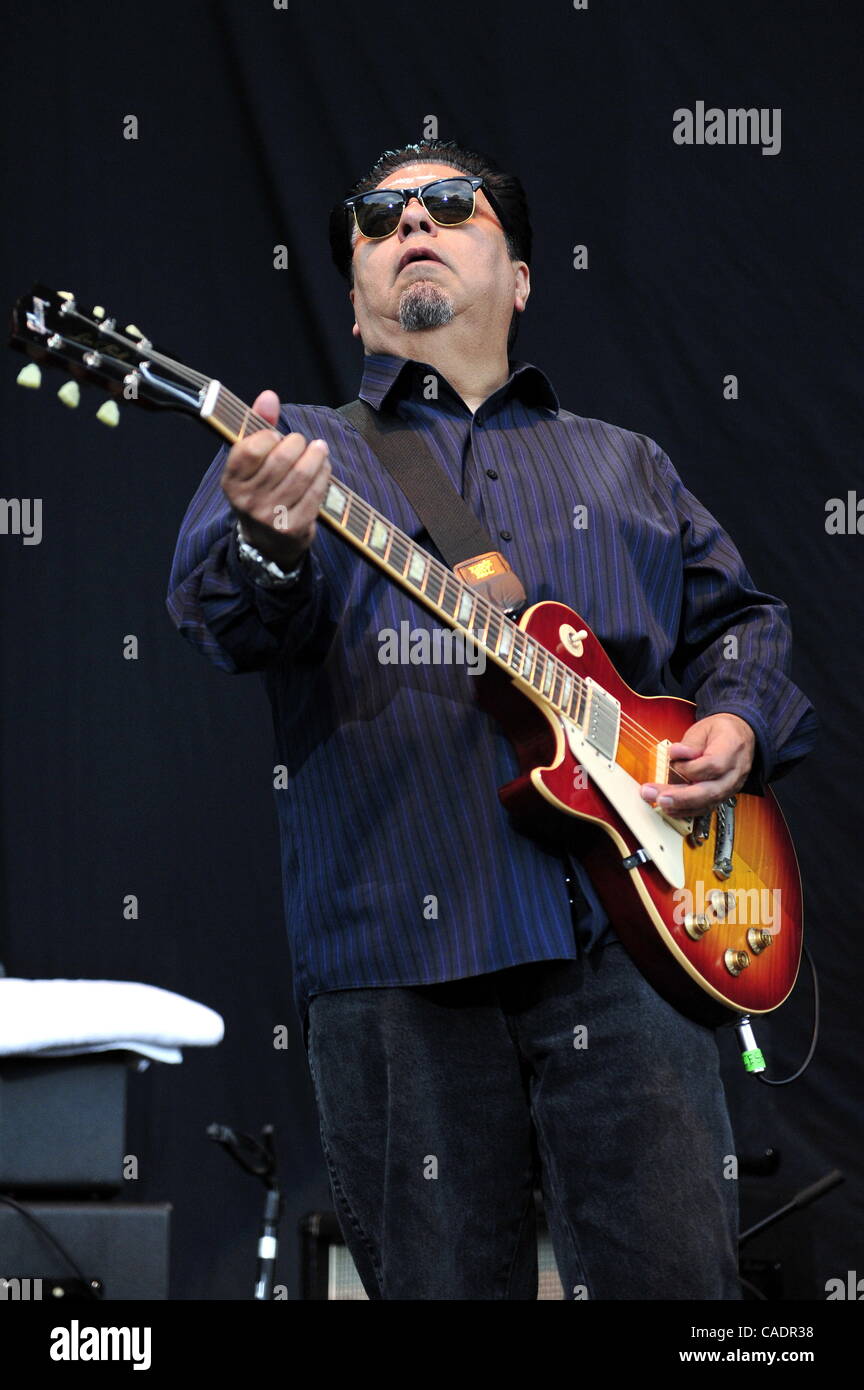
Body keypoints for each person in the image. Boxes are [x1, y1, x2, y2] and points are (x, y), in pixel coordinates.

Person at [167, 138, 817, 1300]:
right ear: (358, 297)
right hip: (400, 963)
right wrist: (269, 539)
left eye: (449, 205)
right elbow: (222, 617)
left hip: (636, 951)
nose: (409, 222)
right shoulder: (303, 455)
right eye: (376, 218)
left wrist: (740, 727)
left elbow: (748, 624)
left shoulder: (626, 465)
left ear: (519, 276)